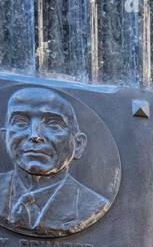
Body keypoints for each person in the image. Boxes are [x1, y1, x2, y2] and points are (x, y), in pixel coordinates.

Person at [0, 85, 111, 235]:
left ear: (78, 145)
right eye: (20, 122)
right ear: (4, 137)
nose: (34, 135)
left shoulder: (92, 205)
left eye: (53, 124)